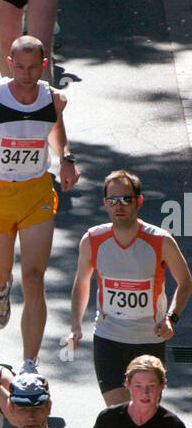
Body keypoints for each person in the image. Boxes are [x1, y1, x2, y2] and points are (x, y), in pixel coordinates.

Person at [0, 34, 77, 365]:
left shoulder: (52, 99)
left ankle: (29, 364)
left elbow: (54, 128)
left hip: (36, 192)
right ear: (10, 64)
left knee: (34, 277)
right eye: (19, 67)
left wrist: (65, 158)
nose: (26, 74)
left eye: (33, 67)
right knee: (0, 273)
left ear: (44, 65)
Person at [68, 170, 192, 407]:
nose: (119, 206)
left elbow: (185, 282)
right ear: (105, 204)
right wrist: (75, 327)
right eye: (112, 200)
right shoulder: (92, 240)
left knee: (145, 413)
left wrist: (171, 318)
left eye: (126, 199)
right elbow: (82, 282)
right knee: (118, 414)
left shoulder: (160, 240)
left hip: (148, 340)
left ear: (139, 201)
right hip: (108, 338)